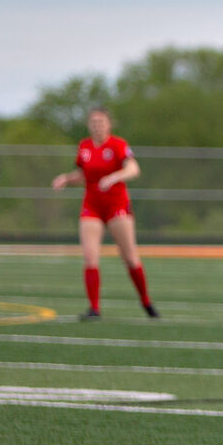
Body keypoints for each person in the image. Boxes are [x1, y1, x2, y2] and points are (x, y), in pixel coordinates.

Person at [51, 107, 157, 321]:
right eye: (93, 122)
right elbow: (83, 174)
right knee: (90, 256)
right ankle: (94, 308)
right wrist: (66, 178)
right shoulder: (85, 147)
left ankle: (146, 302)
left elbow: (133, 169)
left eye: (101, 121)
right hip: (92, 206)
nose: (97, 125)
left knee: (129, 257)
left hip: (117, 206)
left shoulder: (118, 145)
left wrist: (114, 177)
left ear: (109, 124)